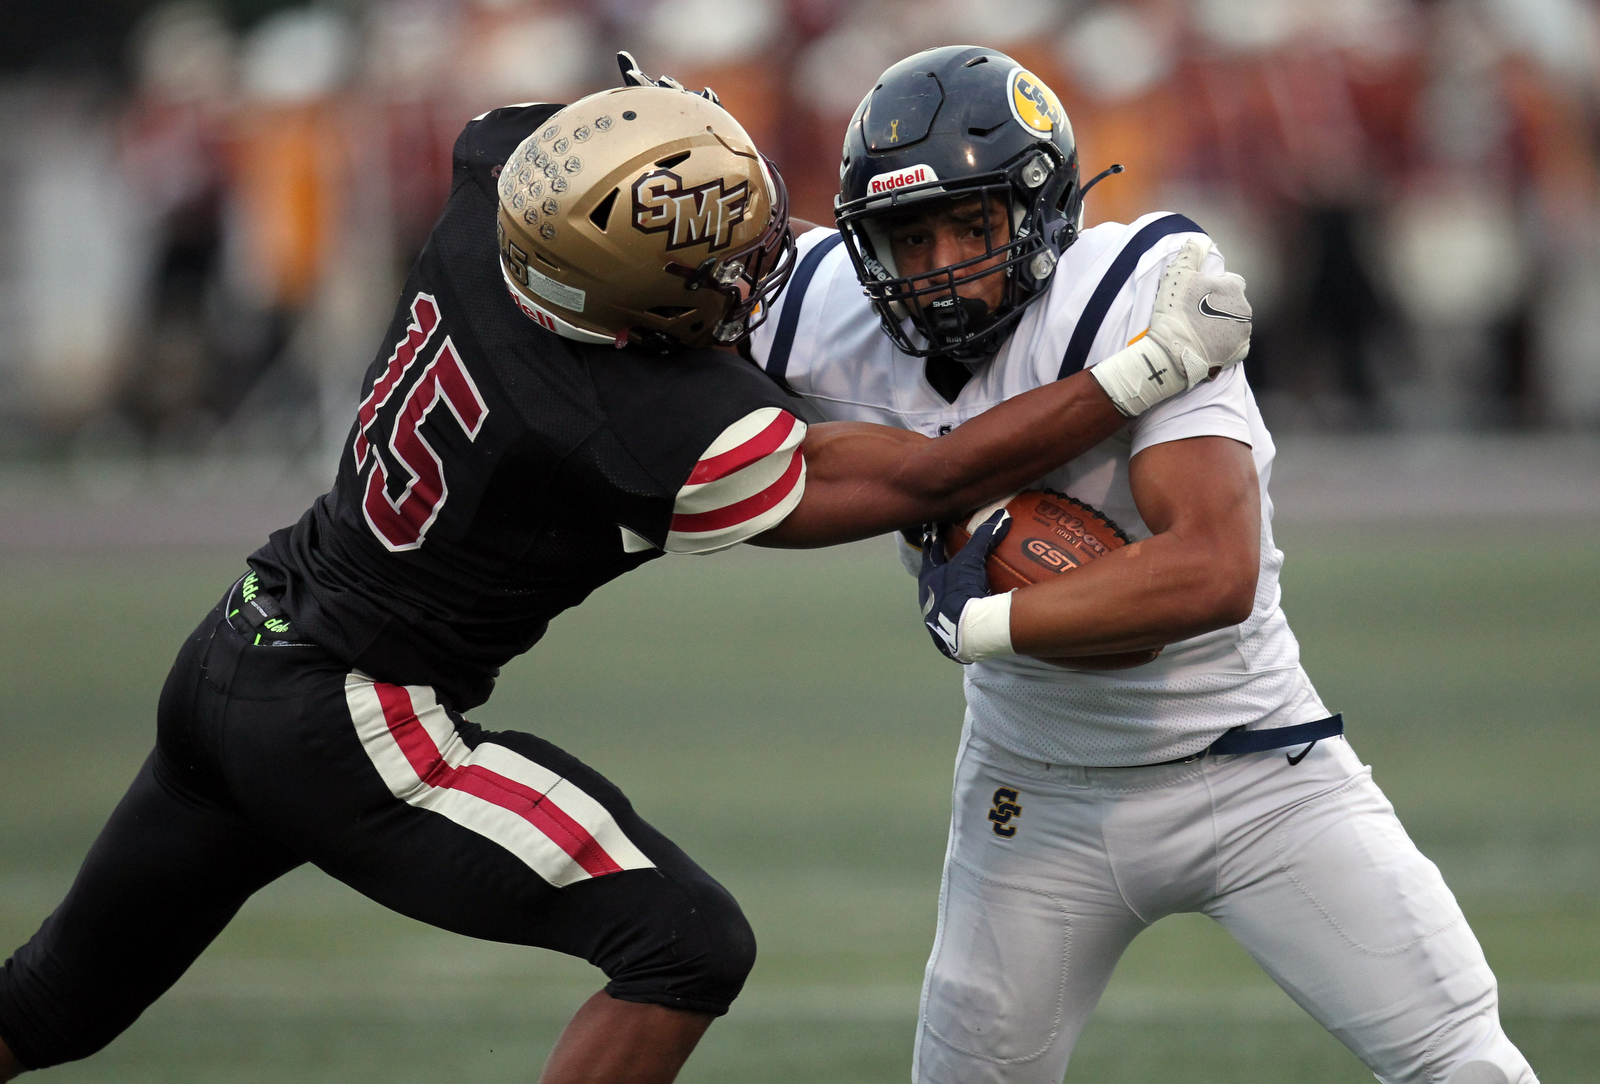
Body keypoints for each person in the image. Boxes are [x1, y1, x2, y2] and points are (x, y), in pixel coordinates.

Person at [0, 57, 1246, 1084]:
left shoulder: (501, 178)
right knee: (685, 942)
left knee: (48, 1003)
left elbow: (583, 144)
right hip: (358, 722)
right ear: (648, 306)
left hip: (242, 631)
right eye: (731, 270)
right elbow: (924, 479)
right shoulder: (648, 426)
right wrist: (1138, 372)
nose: (762, 275)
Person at [749, 45, 1537, 1084]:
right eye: (906, 235)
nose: (937, 261)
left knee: (1463, 1064)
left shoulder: (1134, 293)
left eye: (971, 225)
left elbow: (1212, 571)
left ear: (1035, 214)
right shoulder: (825, 307)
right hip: (1034, 790)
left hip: (1256, 768)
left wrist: (980, 622)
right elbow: (704, 456)